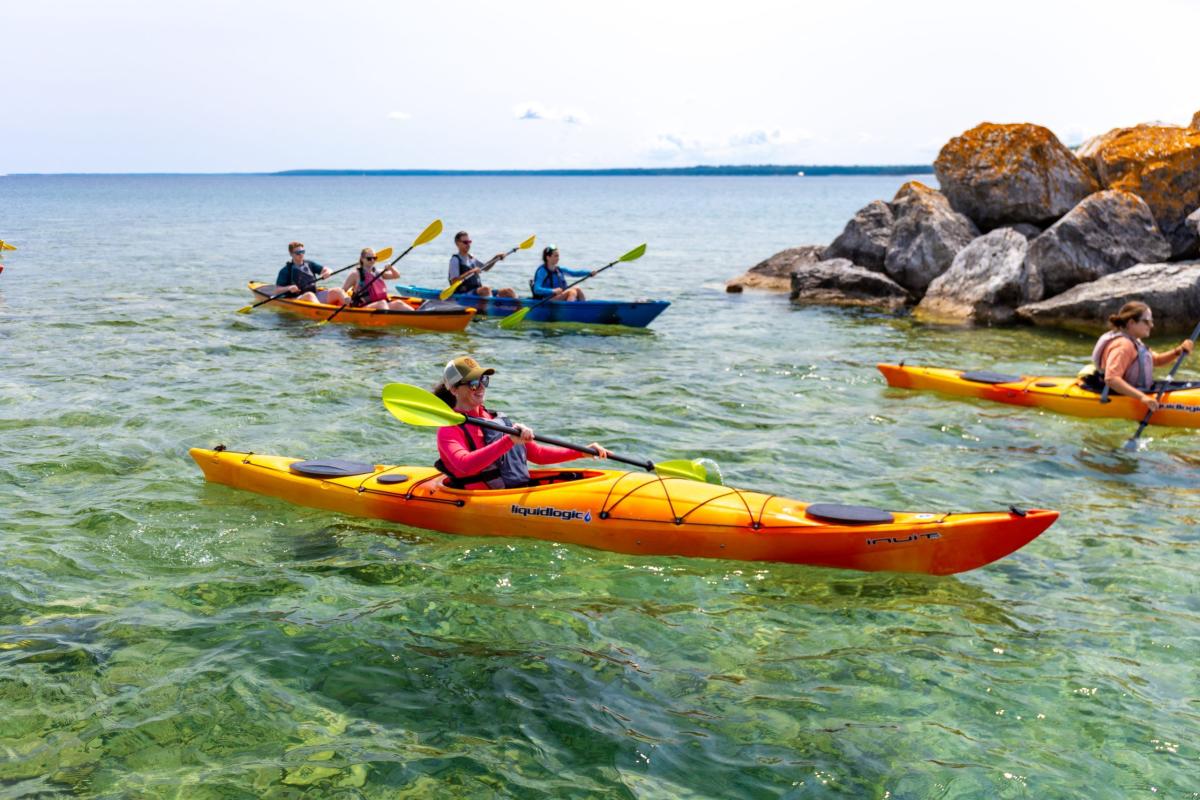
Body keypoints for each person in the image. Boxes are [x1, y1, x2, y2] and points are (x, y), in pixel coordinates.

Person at [432, 356, 610, 489]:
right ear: (454, 389)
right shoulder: (449, 429)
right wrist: (509, 440)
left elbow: (537, 454)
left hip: (511, 492)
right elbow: (465, 465)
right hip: (478, 500)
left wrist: (580, 452)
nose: (480, 387)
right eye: (472, 383)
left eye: (484, 380)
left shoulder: (495, 419)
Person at [1089, 301, 1194, 412]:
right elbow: (1111, 379)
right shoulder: (1123, 345)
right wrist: (1143, 397)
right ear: (1131, 323)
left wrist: (1178, 351)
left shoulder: (1134, 341)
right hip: (1119, 396)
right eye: (1147, 321)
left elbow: (1157, 360)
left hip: (1141, 390)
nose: (1151, 325)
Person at [276, 241, 349, 305]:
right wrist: (289, 288)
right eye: (298, 253)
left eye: (302, 252)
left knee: (338, 290)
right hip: (298, 298)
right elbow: (277, 290)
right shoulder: (286, 270)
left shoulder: (310, 264)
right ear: (291, 254)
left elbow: (328, 269)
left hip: (315, 295)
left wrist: (327, 272)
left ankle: (349, 305)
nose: (301, 254)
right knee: (309, 295)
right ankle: (322, 312)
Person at [448, 231, 518, 298]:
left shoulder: (471, 258)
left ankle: (520, 307)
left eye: (469, 242)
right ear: (457, 243)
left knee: (509, 291)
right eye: (465, 242)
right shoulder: (455, 260)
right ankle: (490, 308)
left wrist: (496, 258)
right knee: (485, 290)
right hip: (463, 294)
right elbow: (454, 281)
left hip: (477, 292)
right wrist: (471, 272)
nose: (468, 244)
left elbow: (485, 268)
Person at [342, 248, 408, 310]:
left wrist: (391, 268)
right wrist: (346, 297)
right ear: (362, 259)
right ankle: (389, 318)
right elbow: (343, 290)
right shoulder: (355, 274)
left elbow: (396, 276)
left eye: (374, 258)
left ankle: (416, 316)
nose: (372, 260)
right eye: (369, 258)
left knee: (399, 303)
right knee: (382, 304)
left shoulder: (378, 272)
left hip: (382, 304)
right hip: (363, 306)